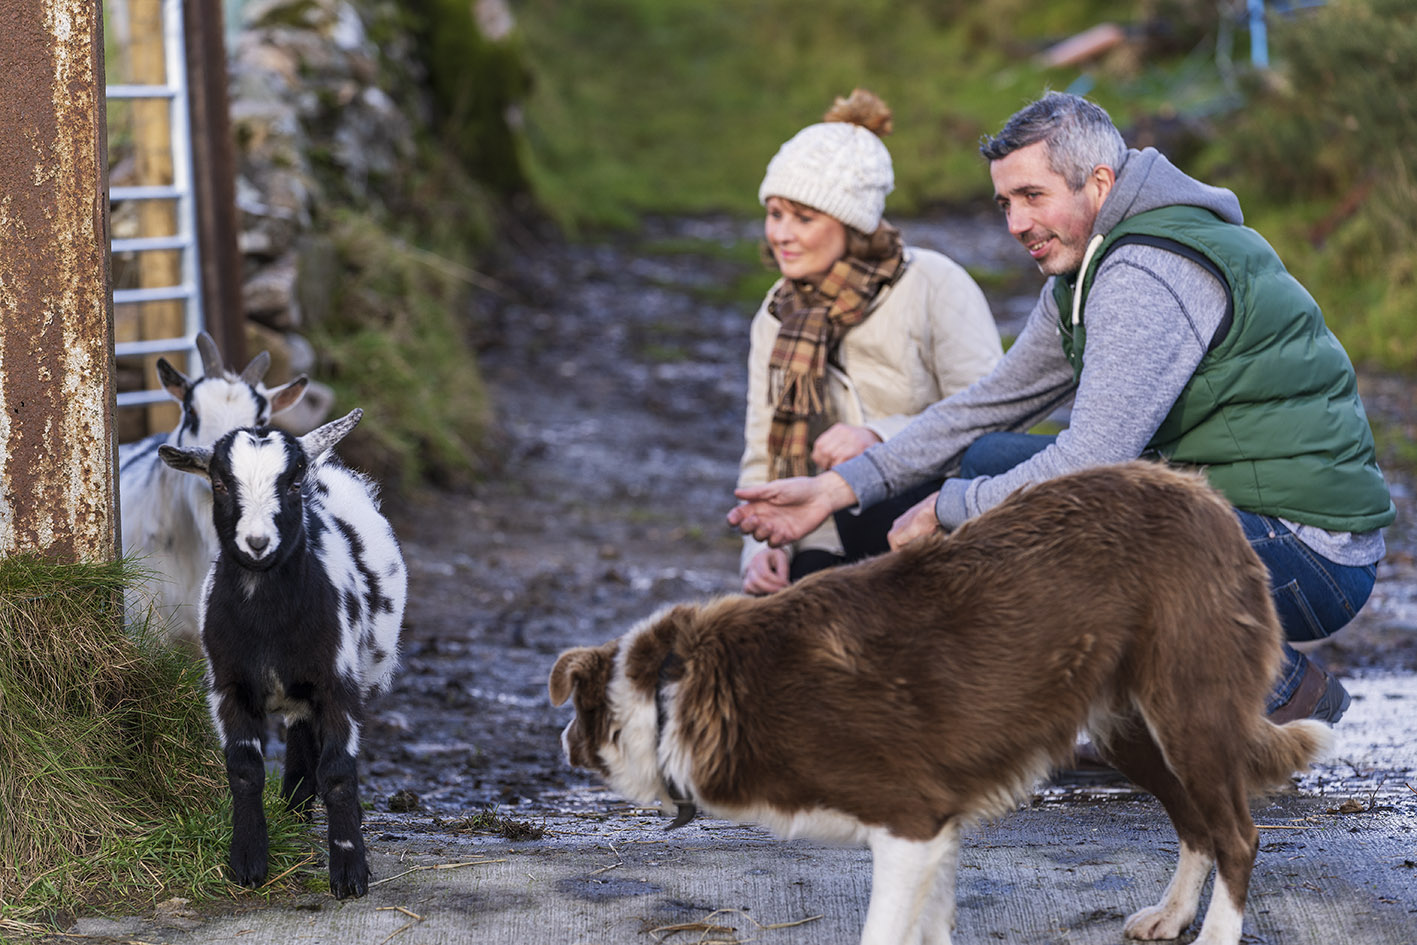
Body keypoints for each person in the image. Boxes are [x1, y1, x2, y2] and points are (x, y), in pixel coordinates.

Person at [727, 91, 1395, 724]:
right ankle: (1142, 722)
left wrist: (948, 507)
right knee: (992, 458)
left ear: (1098, 185)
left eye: (1031, 196)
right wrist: (838, 487)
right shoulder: (1085, 272)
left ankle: (1275, 684)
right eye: (1004, 203)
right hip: (1231, 519)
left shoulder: (1145, 273)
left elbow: (1091, 460)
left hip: (1307, 553)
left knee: (1077, 517)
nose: (1017, 222)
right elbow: (987, 405)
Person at [738, 88, 1003, 595]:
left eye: (804, 217)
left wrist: (879, 436)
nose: (782, 234)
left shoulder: (933, 282)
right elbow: (763, 451)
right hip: (825, 524)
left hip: (932, 518)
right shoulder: (776, 313)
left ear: (851, 224)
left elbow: (995, 419)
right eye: (775, 214)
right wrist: (763, 545)